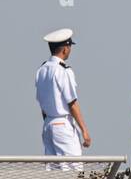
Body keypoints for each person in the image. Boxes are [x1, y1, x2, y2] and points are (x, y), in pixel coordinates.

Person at [33, 28, 91, 156]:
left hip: (48, 125)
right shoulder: (63, 70)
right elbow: (72, 103)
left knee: (54, 172)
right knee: (73, 169)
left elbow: (42, 104)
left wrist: (50, 123)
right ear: (65, 48)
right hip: (62, 124)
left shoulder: (41, 70)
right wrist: (84, 131)